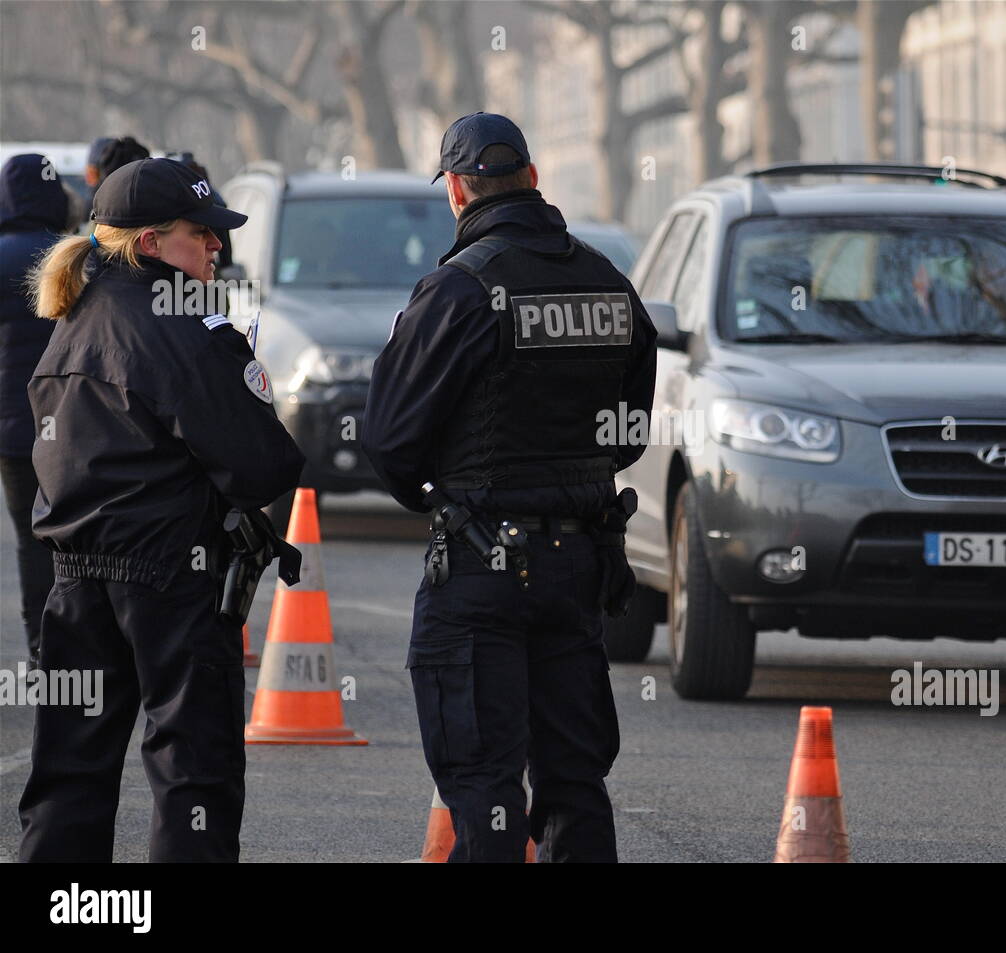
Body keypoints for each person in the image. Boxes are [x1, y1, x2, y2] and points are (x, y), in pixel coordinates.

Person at [361, 112, 657, 863]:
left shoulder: (458, 289)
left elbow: (391, 443)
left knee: (487, 786)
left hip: (481, 567)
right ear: (532, 178)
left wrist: (454, 492)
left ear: (457, 190)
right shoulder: (610, 283)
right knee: (575, 782)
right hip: (581, 563)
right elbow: (630, 431)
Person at [17, 157, 305, 863]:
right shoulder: (186, 327)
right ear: (150, 243)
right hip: (171, 577)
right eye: (201, 233)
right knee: (192, 776)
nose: (216, 246)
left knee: (68, 776)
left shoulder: (73, 319)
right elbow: (264, 462)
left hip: (75, 579)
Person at [0, 154, 67, 662]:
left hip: (12, 430)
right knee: (71, 537)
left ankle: (41, 649)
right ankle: (72, 642)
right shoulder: (75, 258)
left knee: (27, 537)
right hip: (71, 427)